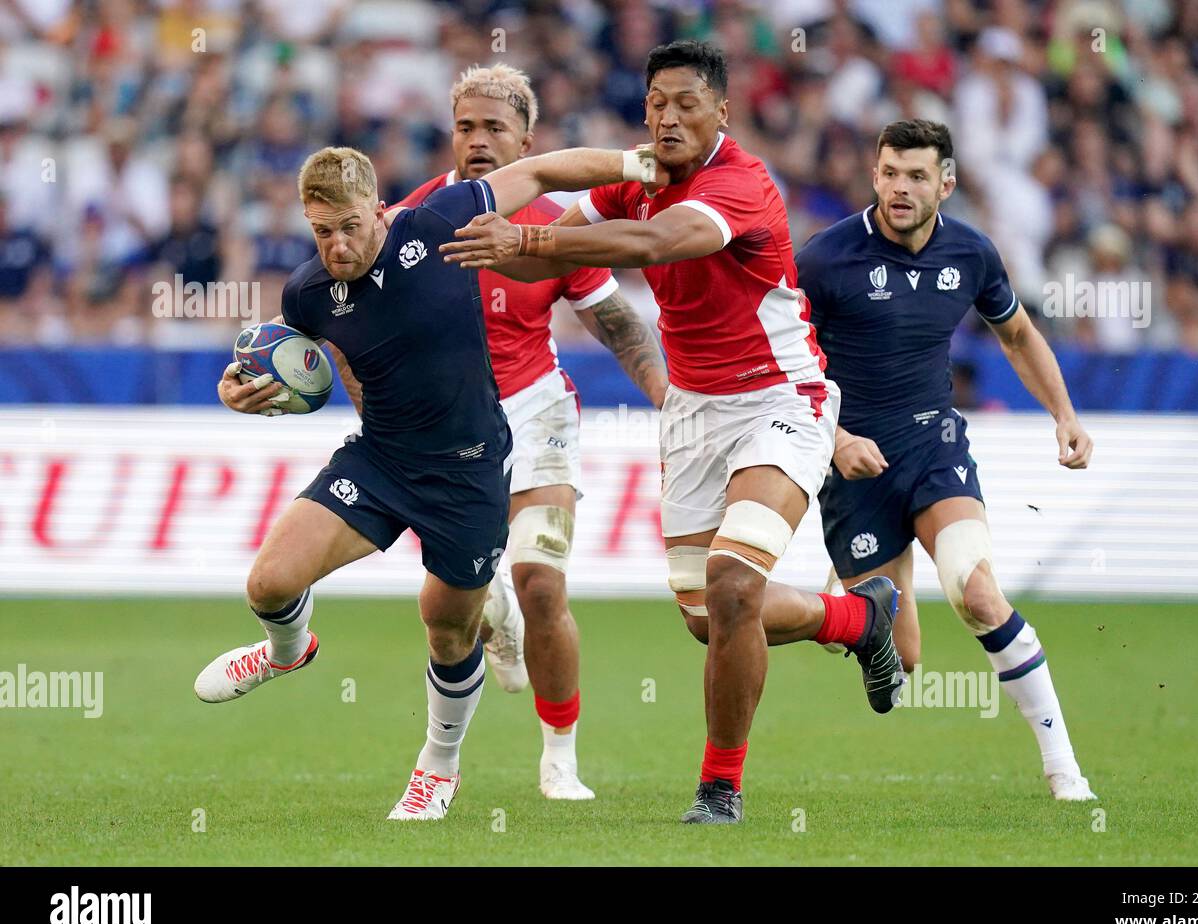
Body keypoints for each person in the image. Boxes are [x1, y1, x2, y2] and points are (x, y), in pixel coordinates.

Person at [440, 40, 904, 825]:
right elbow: (545, 217)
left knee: (732, 584)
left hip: (777, 399)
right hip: (692, 412)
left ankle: (719, 788)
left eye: (686, 102)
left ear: (721, 111)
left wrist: (528, 241)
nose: (668, 117)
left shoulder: (742, 184)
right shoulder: (638, 180)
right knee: (705, 616)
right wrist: (479, 226)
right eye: (656, 103)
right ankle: (860, 618)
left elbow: (649, 245)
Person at [193, 140, 666, 821]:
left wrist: (633, 164)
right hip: (382, 460)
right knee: (268, 583)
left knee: (447, 629)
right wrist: (237, 389)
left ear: (379, 212)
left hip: (470, 471)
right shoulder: (308, 291)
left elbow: (538, 171)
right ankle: (285, 652)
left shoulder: (439, 223)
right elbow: (270, 357)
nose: (337, 247)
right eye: (321, 232)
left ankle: (437, 769)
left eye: (349, 227)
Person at [388, 64, 669, 802]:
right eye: (465, 127)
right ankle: (491, 613)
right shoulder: (413, 223)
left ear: (528, 141)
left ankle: (560, 754)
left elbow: (616, 323)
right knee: (461, 600)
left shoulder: (553, 227)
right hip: (444, 431)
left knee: (541, 580)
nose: (477, 142)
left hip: (537, 414)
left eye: (494, 129)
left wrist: (669, 399)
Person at [798, 119, 1097, 801]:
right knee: (900, 661)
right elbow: (784, 362)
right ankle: (846, 610)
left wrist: (1065, 414)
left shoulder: (972, 253)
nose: (900, 188)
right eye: (890, 173)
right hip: (854, 465)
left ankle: (1063, 769)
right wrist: (837, 439)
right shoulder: (824, 260)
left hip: (934, 445)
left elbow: (1018, 336)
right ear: (874, 175)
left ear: (947, 184)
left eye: (916, 176)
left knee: (977, 590)